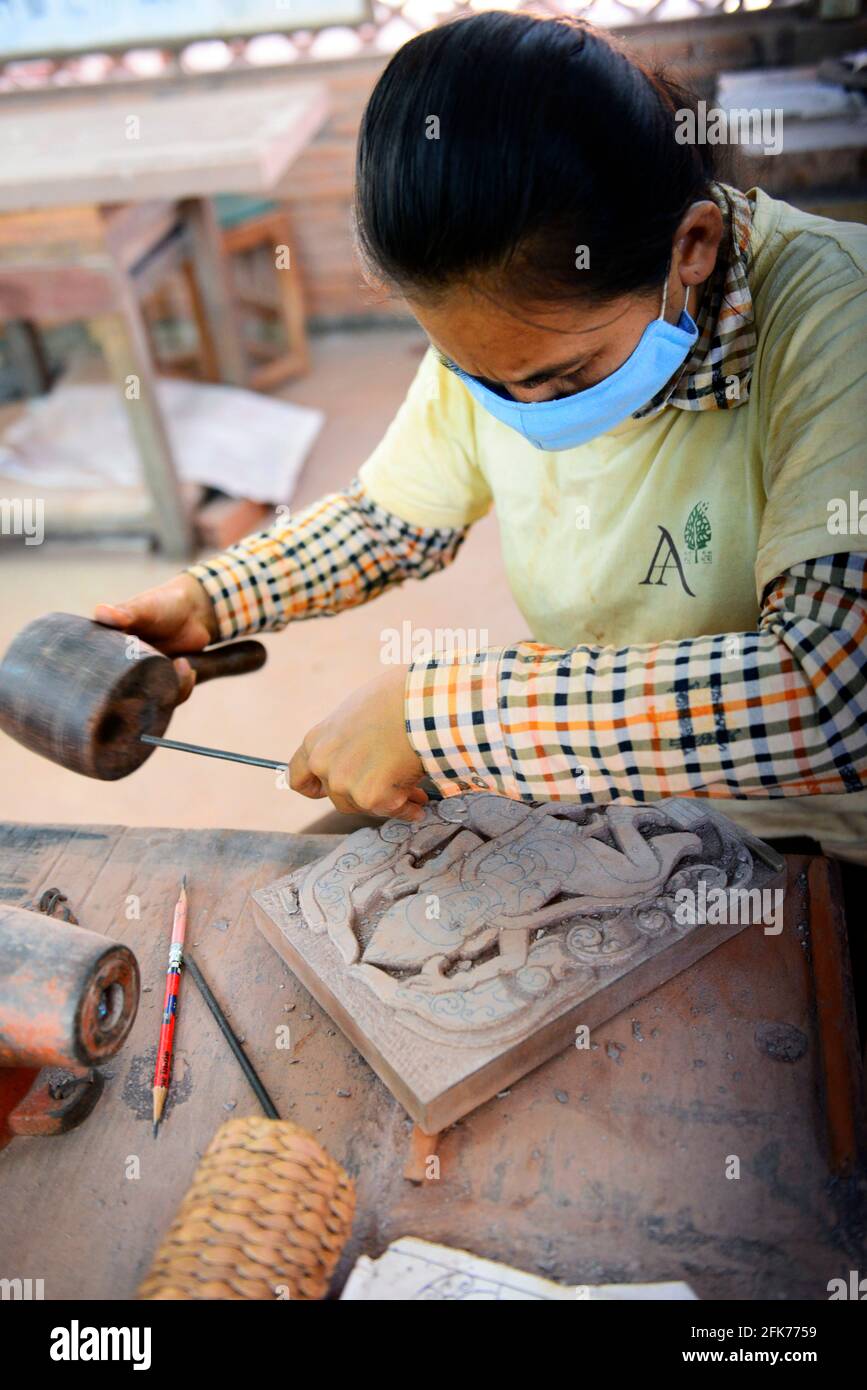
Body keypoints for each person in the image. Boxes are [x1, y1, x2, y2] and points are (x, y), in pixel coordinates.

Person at [95, 11, 867, 867]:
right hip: (585, 766)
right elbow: (390, 522)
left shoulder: (838, 316)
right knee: (302, 887)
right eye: (477, 376)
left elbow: (831, 693)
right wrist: (211, 599)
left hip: (800, 825)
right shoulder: (494, 336)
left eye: (563, 379)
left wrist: (436, 716)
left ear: (691, 248)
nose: (521, 409)